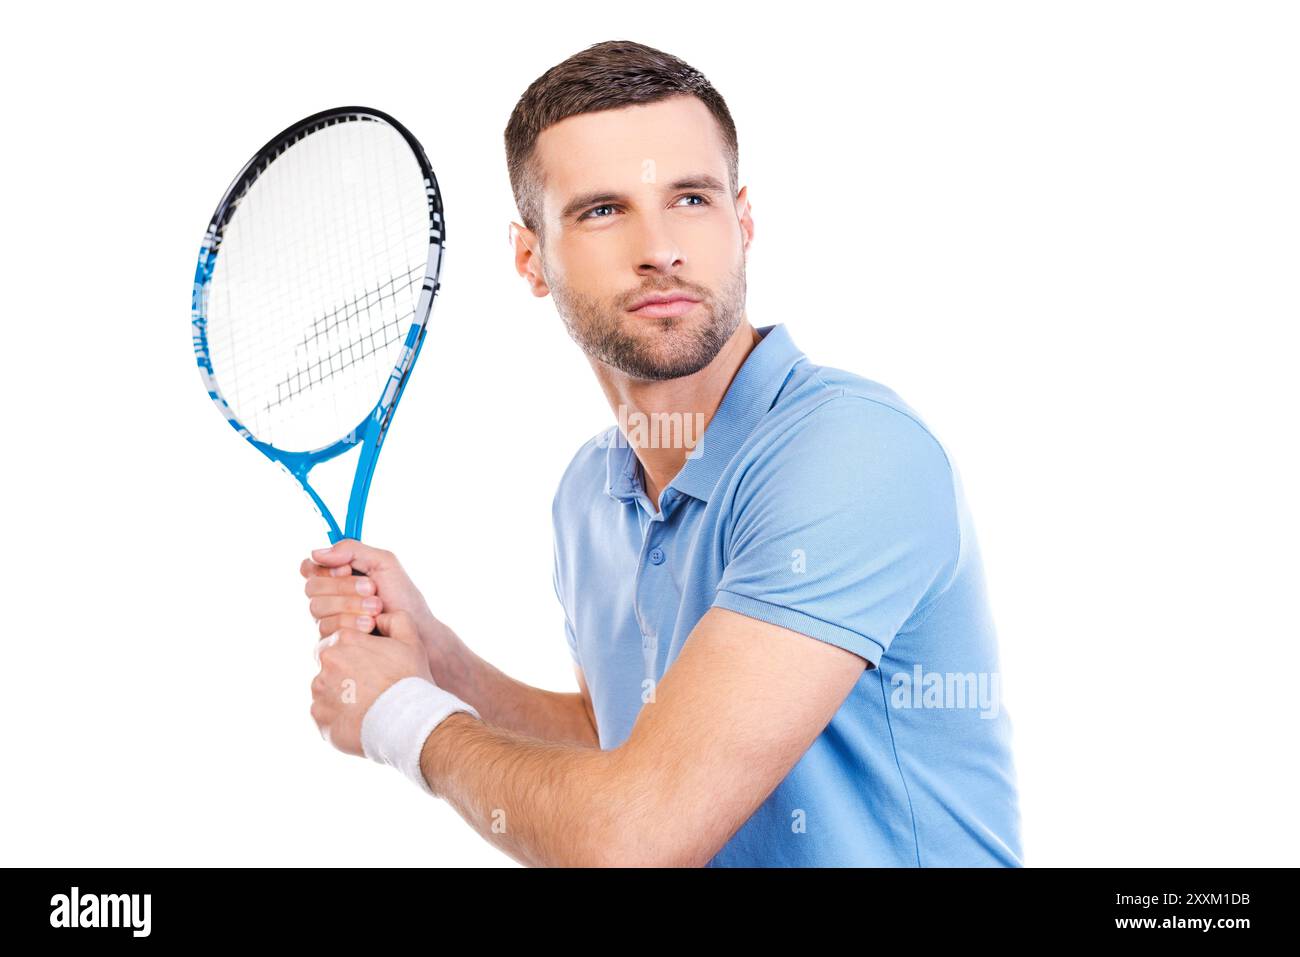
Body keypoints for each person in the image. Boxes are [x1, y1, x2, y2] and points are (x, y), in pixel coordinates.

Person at [303, 39, 1023, 867]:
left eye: (690, 197)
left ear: (743, 221)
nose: (660, 248)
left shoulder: (855, 454)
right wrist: (438, 659)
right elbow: (625, 745)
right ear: (530, 259)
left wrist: (403, 719)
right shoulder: (590, 492)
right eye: (602, 210)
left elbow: (635, 834)